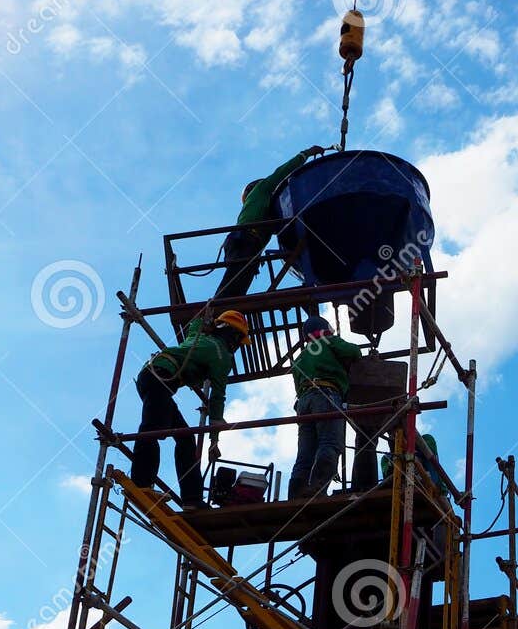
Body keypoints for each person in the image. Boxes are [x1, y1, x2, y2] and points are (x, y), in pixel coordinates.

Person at [132, 310, 251, 509]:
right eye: (239, 339)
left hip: (154, 376)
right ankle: (142, 484)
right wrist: (214, 439)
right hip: (159, 378)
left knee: (185, 437)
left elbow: (196, 321)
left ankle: (192, 499)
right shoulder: (222, 357)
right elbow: (217, 399)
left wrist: (207, 320)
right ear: (233, 336)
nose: (238, 345)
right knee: (153, 429)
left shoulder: (199, 335)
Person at [216, 145, 327, 304]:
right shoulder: (261, 190)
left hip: (246, 244)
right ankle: (215, 310)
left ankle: (222, 312)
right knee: (233, 287)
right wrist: (306, 154)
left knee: (237, 290)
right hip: (245, 240)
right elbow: (281, 173)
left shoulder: (261, 211)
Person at [289, 315, 363, 498]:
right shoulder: (328, 341)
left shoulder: (300, 358)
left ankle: (296, 493)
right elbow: (354, 352)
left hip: (303, 403)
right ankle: (317, 490)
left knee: (306, 451)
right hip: (326, 395)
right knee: (330, 443)